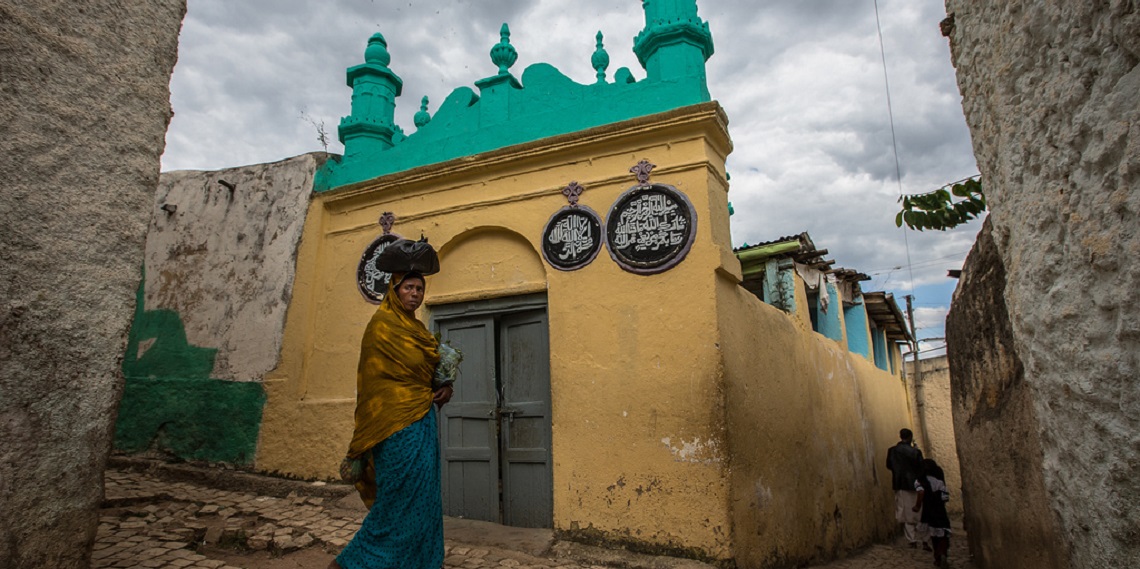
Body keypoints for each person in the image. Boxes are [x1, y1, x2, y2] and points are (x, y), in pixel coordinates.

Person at [331, 272, 454, 569]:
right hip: (393, 429)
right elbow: (376, 384)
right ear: (394, 291)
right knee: (395, 502)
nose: (415, 293)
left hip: (422, 422)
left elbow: (427, 373)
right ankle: (351, 563)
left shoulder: (420, 332)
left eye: (420, 289)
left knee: (424, 501)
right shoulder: (381, 327)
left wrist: (446, 385)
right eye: (408, 288)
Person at [886, 428, 927, 548]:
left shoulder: (892, 451)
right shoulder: (915, 452)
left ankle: (912, 539)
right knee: (919, 511)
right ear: (910, 437)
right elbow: (921, 468)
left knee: (905, 512)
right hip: (915, 484)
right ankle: (924, 539)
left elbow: (889, 465)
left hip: (900, 484)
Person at [914, 458, 952, 568]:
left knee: (934, 535)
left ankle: (937, 557)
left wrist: (917, 506)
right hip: (940, 510)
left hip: (928, 510)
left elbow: (920, 493)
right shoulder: (939, 482)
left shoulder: (919, 481)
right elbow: (945, 498)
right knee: (943, 533)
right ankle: (943, 552)